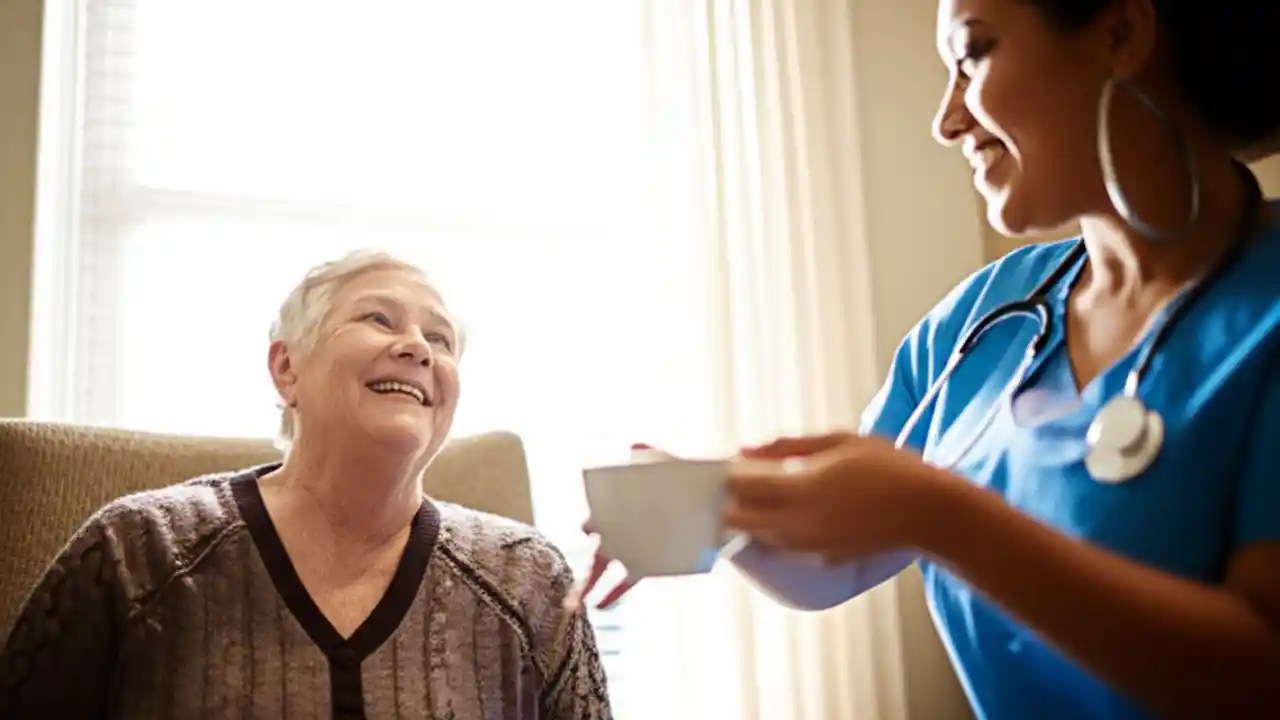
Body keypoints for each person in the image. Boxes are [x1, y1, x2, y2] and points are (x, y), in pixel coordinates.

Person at [575, 1, 1280, 718]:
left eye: (974, 54)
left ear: (1121, 36)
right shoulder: (984, 317)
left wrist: (941, 516)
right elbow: (840, 560)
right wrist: (707, 503)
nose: (946, 121)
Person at [0, 250, 612, 719]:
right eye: (378, 319)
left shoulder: (529, 580)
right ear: (287, 367)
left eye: (440, 338)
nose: (417, 349)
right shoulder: (139, 551)